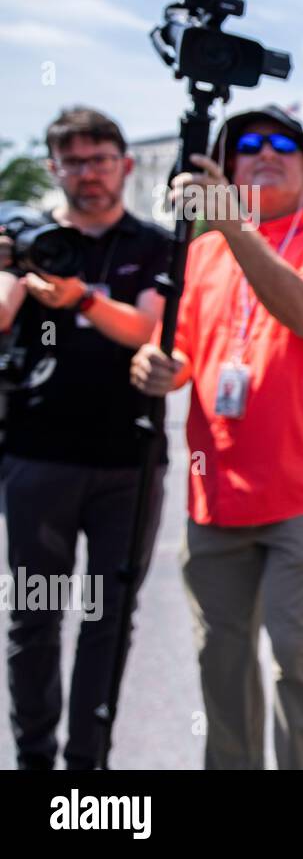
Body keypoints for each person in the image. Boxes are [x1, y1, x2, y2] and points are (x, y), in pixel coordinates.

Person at [129, 105, 303, 769]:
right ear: (228, 168)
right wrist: (153, 365)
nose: (264, 151)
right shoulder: (201, 251)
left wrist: (228, 222)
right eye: (247, 144)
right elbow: (179, 355)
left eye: (282, 142)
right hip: (216, 499)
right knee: (220, 667)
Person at [0, 107, 170, 770]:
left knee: (107, 622)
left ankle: (87, 767)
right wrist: (12, 265)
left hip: (126, 463)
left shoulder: (153, 244)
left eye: (100, 159)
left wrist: (78, 297)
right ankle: (35, 761)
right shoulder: (29, 241)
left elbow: (148, 331)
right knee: (33, 620)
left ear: (124, 165)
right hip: (36, 456)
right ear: (54, 169)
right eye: (73, 161)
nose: (88, 173)